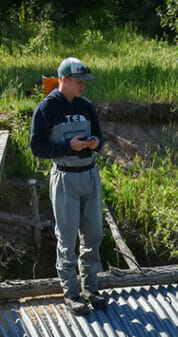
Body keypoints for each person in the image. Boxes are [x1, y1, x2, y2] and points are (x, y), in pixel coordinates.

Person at [30, 56, 107, 316]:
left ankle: (91, 289)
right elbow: (37, 147)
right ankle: (71, 294)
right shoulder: (46, 108)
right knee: (67, 238)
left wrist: (95, 142)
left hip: (90, 176)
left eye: (84, 81)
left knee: (94, 234)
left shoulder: (86, 106)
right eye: (78, 81)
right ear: (64, 80)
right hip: (65, 178)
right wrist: (67, 147)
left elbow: (100, 136)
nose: (83, 86)